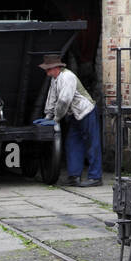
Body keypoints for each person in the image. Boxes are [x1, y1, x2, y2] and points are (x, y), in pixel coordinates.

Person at [36, 54, 102, 186]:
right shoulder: (55, 79)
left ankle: (95, 177)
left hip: (86, 112)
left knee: (91, 144)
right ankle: (74, 176)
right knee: (72, 144)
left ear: (56, 68)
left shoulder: (67, 77)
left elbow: (64, 100)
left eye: (48, 69)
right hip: (74, 115)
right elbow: (52, 98)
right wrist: (47, 116)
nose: (47, 72)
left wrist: (56, 119)